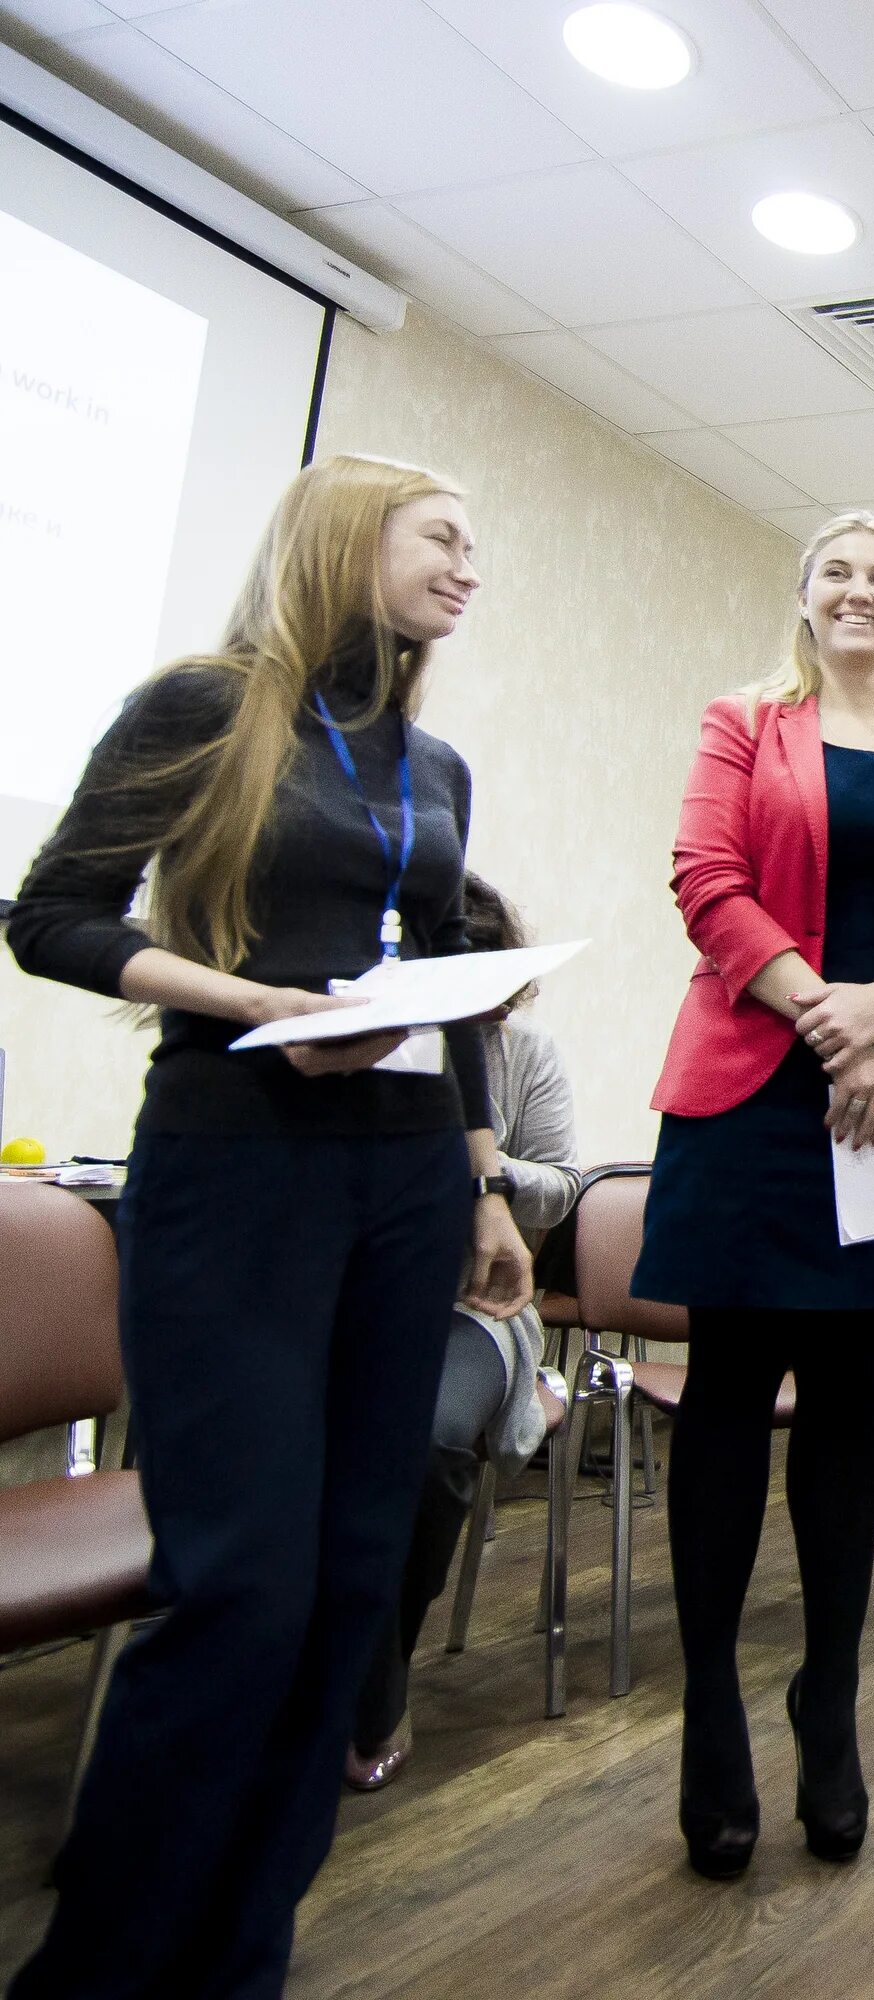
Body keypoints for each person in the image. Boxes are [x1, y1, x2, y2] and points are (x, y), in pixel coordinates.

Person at [4, 454, 530, 1999]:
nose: (466, 566)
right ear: (345, 543)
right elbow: (52, 916)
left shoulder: (433, 772)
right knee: (240, 1589)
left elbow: (456, 975)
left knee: (355, 1582)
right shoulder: (203, 707)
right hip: (238, 1166)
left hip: (405, 1178)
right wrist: (239, 999)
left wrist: (487, 1182)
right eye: (443, 537)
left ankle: (240, 1961)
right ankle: (95, 1975)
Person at [633, 511, 874, 1880]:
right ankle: (715, 1713)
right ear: (805, 599)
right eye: (837, 572)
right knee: (729, 1395)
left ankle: (829, 1702)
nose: (860, 591)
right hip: (753, 1092)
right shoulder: (745, 721)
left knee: (853, 1403)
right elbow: (707, 881)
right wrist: (825, 1019)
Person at [346, 873, 583, 1790]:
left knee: (429, 1435)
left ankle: (380, 1674)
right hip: (365, 1299)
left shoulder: (526, 1055)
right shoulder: (366, 1043)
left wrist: (486, 1174)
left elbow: (565, 1185)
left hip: (479, 1307)